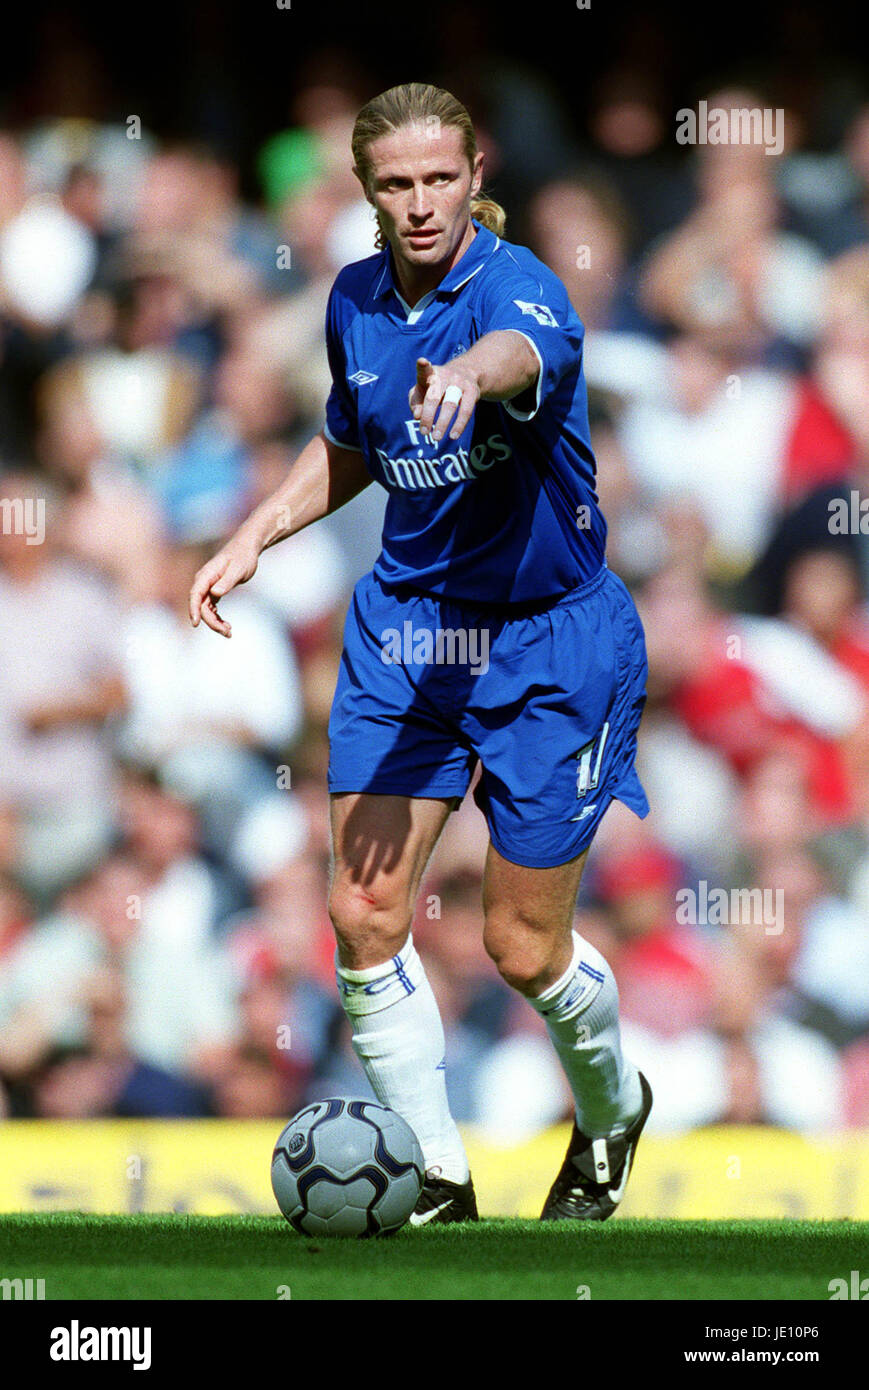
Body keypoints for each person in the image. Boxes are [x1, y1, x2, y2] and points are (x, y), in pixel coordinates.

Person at [189, 82, 652, 1223]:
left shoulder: (520, 290)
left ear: (475, 174)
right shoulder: (350, 299)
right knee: (359, 915)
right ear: (365, 192)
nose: (419, 202)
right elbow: (350, 436)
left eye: (438, 177)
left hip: (552, 644)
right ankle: (439, 1179)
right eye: (394, 184)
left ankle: (610, 1108)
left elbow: (510, 357)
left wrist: (467, 378)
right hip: (407, 629)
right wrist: (255, 529)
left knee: (519, 946)